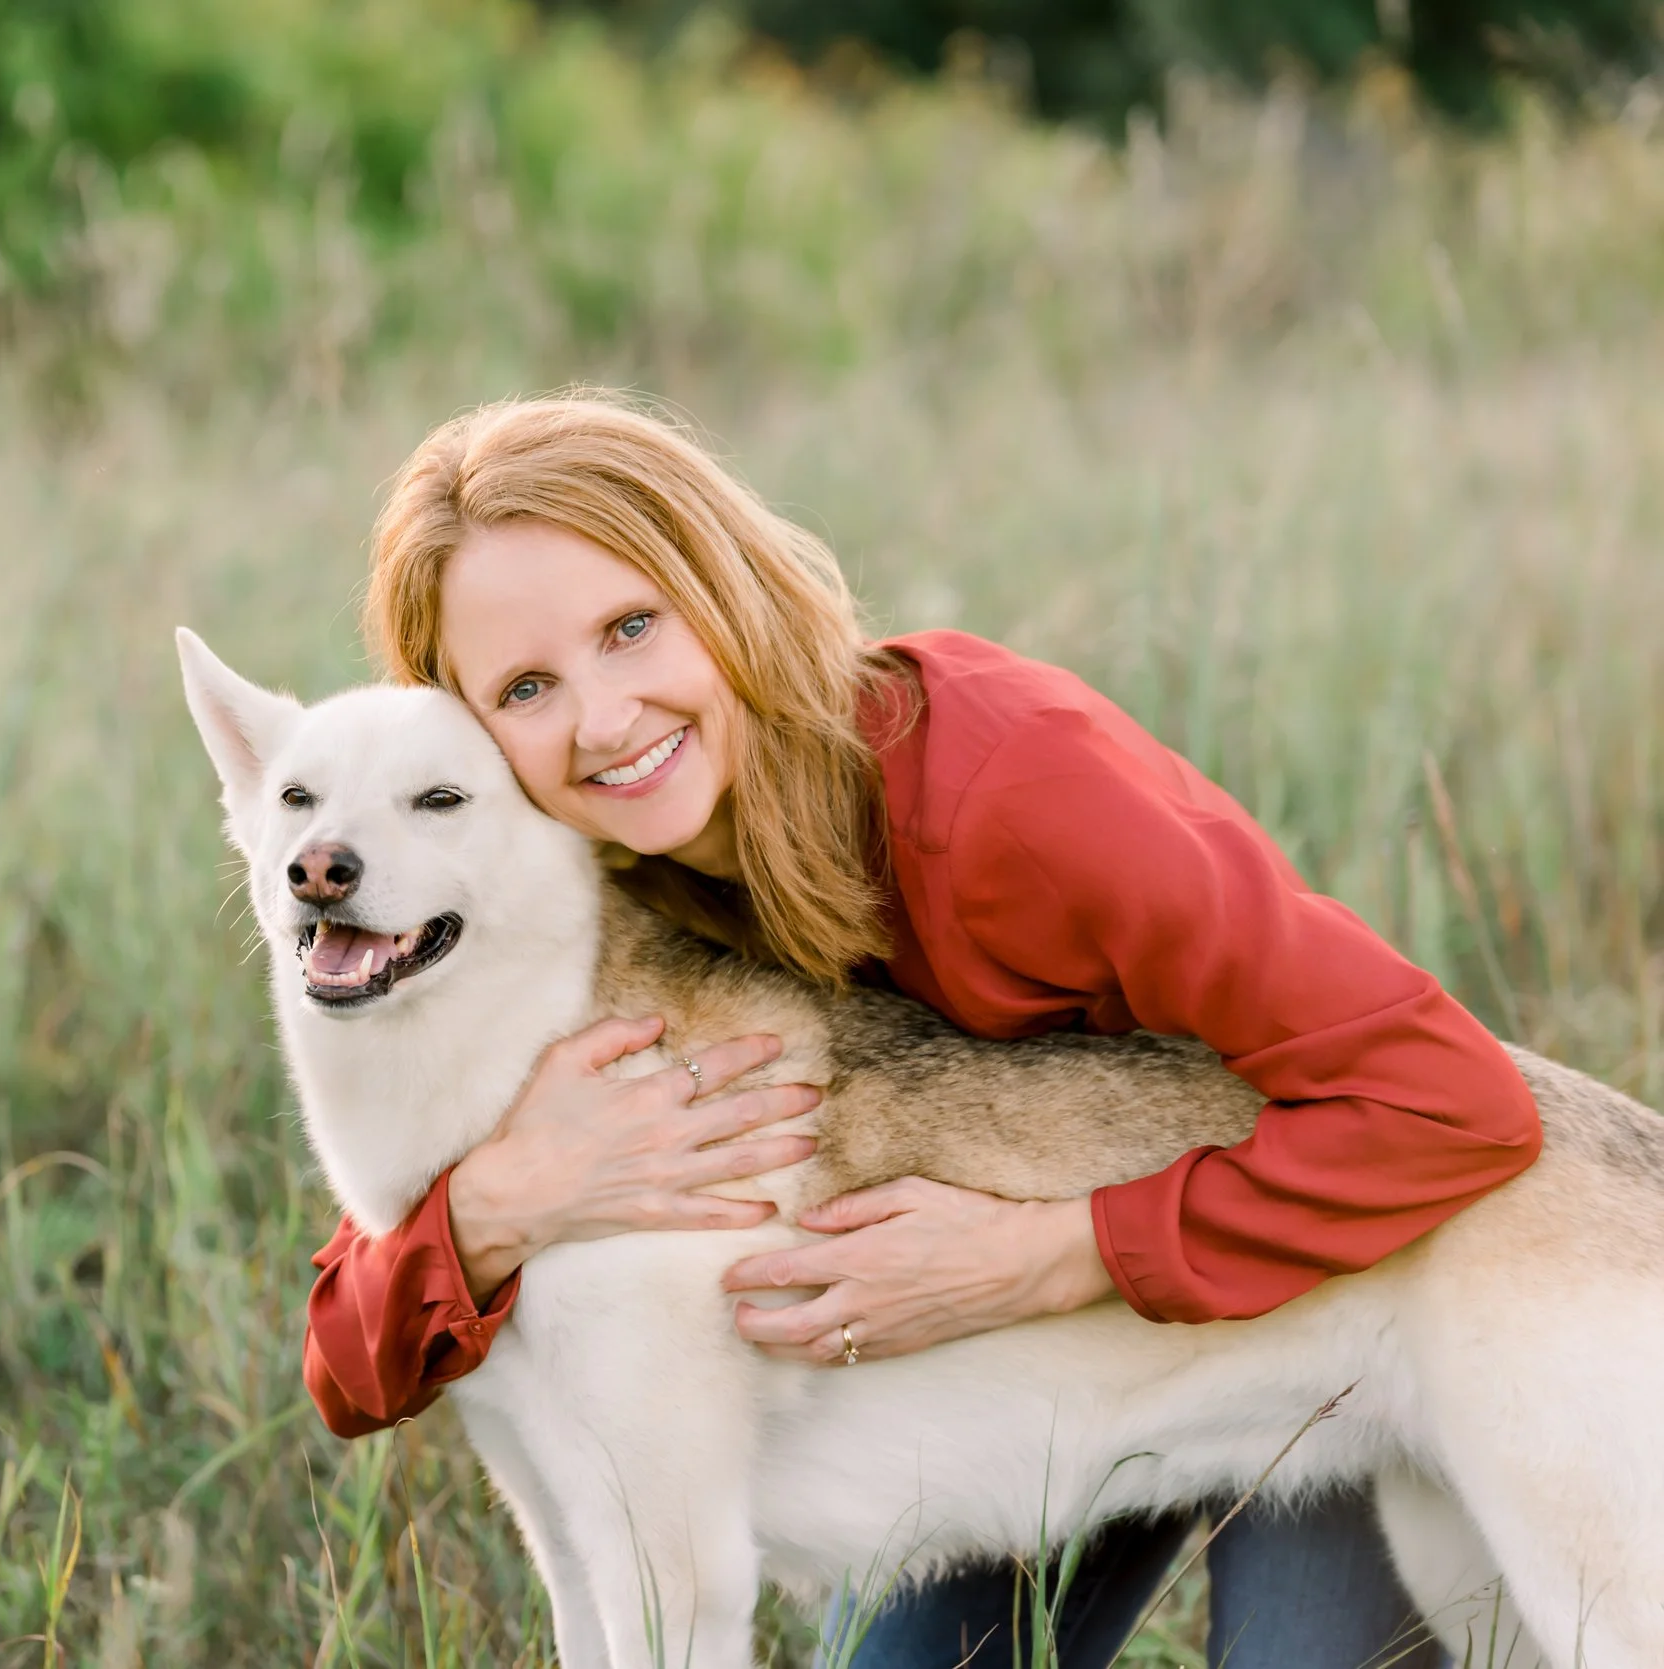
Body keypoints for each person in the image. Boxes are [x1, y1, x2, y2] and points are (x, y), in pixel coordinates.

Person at [306, 393, 1539, 1668]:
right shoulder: (563, 909)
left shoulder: (1010, 783)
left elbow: (1454, 1102)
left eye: (631, 627)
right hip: (1025, 1386)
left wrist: (1052, 1253)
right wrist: (496, 1203)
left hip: (1312, 1302)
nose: (605, 718)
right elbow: (348, 1362)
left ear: (722, 586)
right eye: (524, 688)